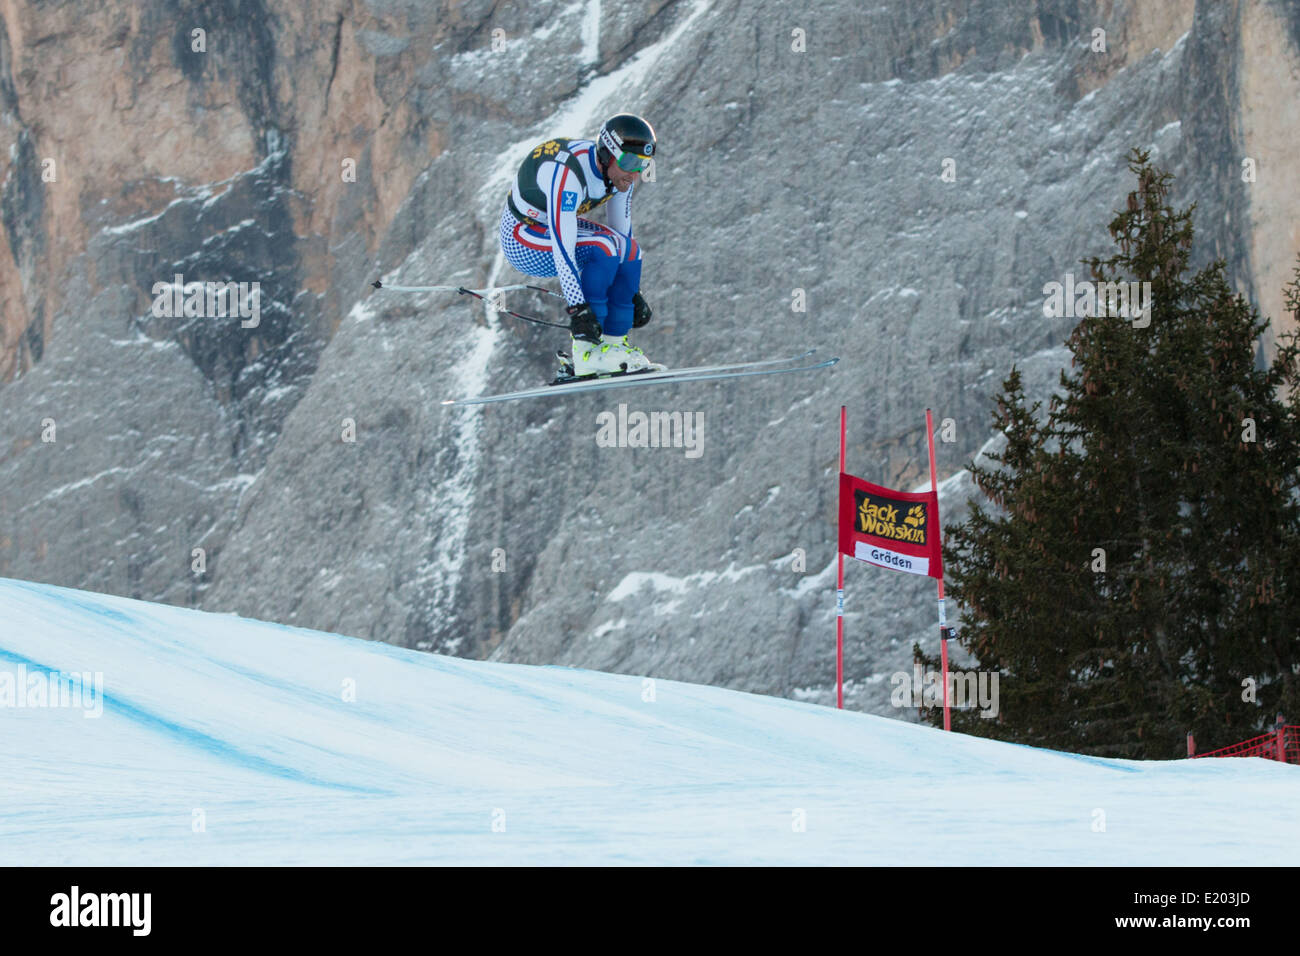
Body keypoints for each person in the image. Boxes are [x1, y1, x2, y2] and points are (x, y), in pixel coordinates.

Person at [499, 113, 660, 376]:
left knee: (630, 251)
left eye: (643, 164)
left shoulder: (620, 175)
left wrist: (630, 290)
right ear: (607, 154)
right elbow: (564, 246)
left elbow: (624, 237)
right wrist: (578, 309)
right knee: (604, 247)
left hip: (551, 228)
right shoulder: (568, 173)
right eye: (631, 162)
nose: (635, 173)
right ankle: (586, 352)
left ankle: (613, 347)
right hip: (521, 237)